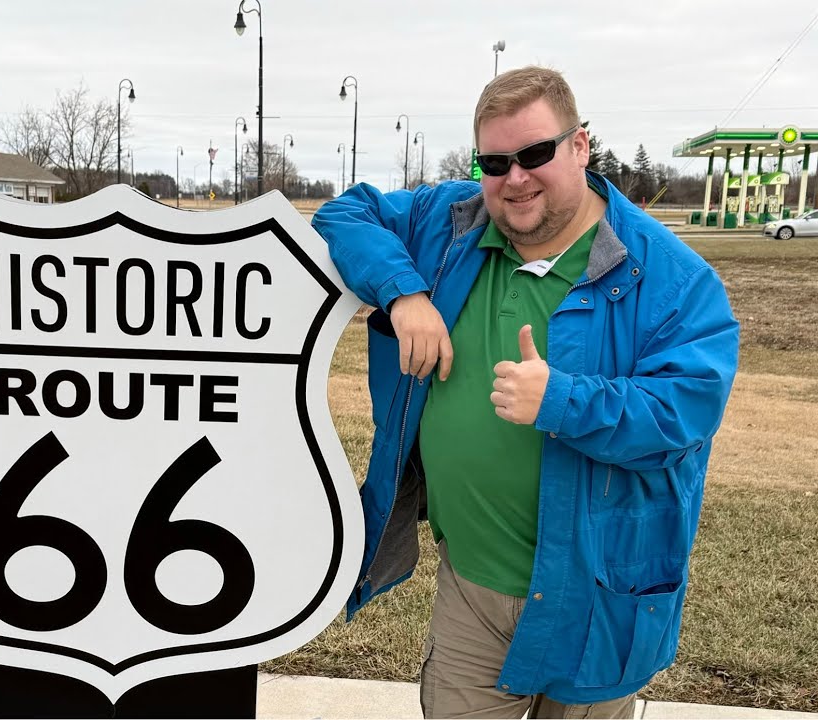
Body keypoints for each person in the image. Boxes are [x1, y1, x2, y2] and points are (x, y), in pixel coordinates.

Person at [311, 66, 739, 719]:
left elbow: (686, 411)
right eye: (495, 160)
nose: (515, 177)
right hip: (471, 592)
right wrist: (403, 291)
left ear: (580, 146)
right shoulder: (449, 225)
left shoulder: (674, 278)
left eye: (536, 153)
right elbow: (348, 212)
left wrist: (562, 401)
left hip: (600, 597)